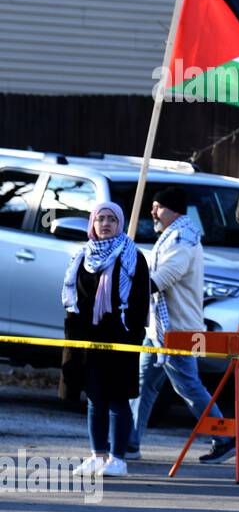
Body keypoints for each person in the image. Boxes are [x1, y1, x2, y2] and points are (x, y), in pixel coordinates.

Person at [128, 187, 239, 463]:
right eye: (153, 206)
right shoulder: (170, 236)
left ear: (174, 210)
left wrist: (128, 289)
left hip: (177, 331)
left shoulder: (181, 240)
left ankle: (226, 439)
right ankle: (129, 442)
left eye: (158, 207)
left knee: (188, 387)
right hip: (158, 329)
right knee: (144, 386)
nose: (153, 212)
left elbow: (165, 276)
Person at [62, 202, 151, 477]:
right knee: (94, 399)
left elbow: (139, 302)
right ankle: (97, 455)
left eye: (111, 219)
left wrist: (130, 336)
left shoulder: (133, 256)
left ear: (120, 223)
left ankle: (118, 459)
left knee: (117, 399)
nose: (105, 223)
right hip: (89, 341)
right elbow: (74, 299)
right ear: (92, 223)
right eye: (100, 218)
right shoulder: (82, 257)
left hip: (120, 339)